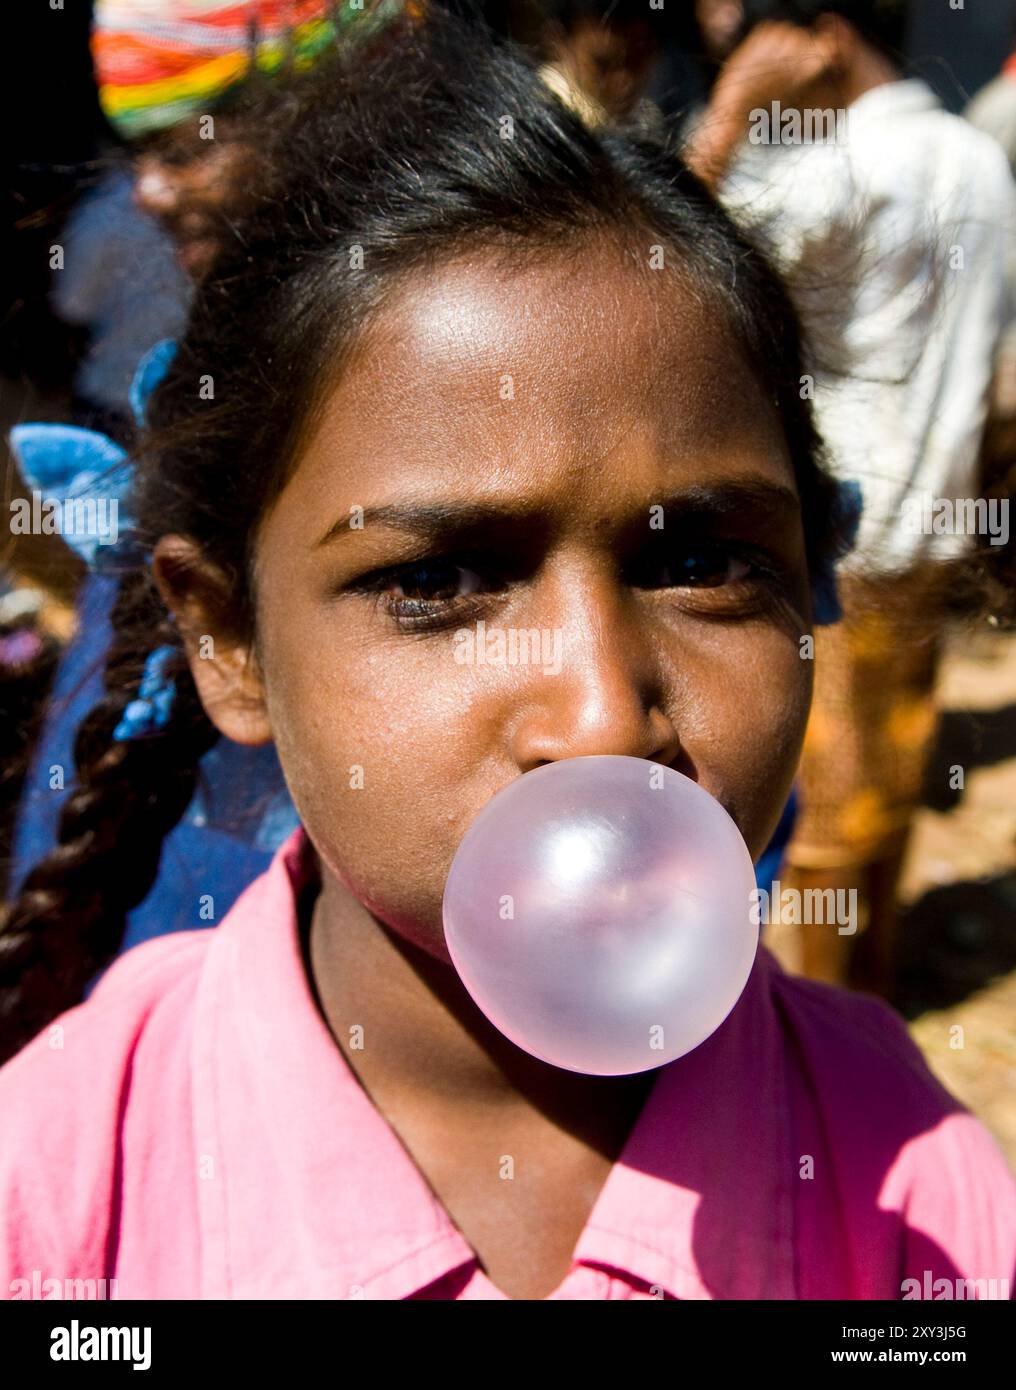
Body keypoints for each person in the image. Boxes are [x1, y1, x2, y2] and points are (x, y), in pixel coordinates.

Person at [0, 17, 1013, 1302]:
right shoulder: (54, 1199)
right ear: (230, 641)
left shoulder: (909, 1185)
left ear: (808, 575)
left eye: (698, 560)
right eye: (436, 580)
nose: (600, 719)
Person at [685, 0, 1016, 991]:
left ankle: (826, 1032)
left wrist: (729, 115)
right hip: (928, 535)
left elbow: (672, 275)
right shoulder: (971, 156)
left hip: (837, 544)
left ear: (817, 38)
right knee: (883, 786)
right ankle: (864, 1001)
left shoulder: (835, 172)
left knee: (827, 817)